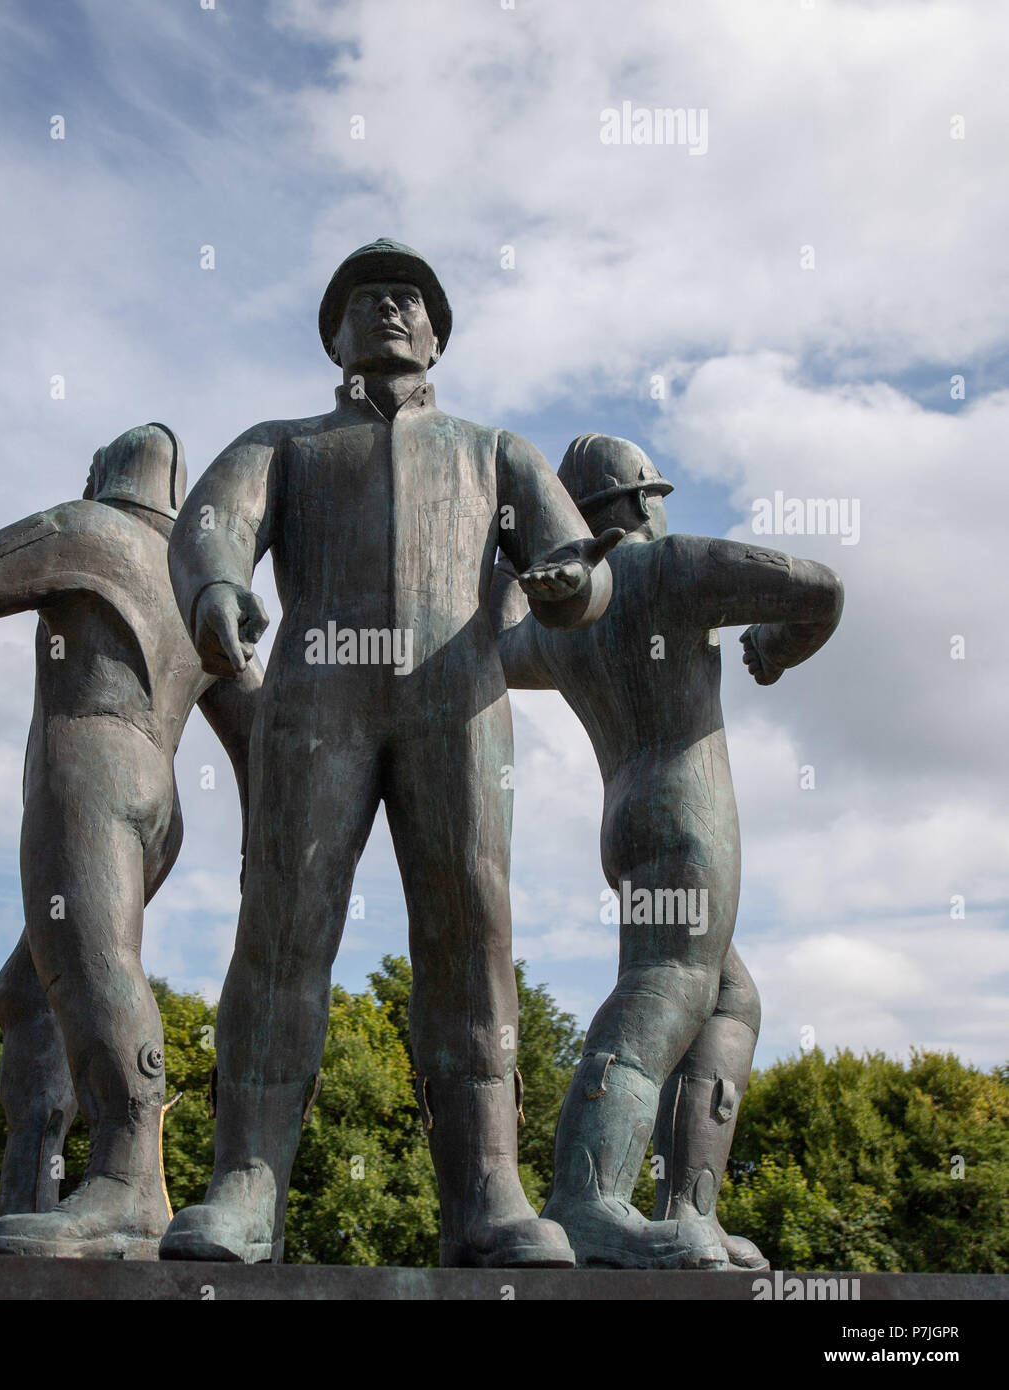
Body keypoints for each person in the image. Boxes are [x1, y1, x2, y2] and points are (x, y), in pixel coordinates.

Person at [160, 240, 621, 1267]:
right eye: (362, 299)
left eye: (406, 298)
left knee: (471, 936)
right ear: (332, 331)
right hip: (315, 696)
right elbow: (209, 525)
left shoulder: (491, 449)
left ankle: (488, 1192)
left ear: (437, 333)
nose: (385, 310)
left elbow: (576, 560)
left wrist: (565, 584)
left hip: (456, 702)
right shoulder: (283, 443)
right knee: (282, 929)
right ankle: (246, 1183)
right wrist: (217, 588)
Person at [0, 424, 260, 1258]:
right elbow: (258, 730)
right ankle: (30, 1188)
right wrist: (264, 845)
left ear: (103, 472)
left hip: (89, 775)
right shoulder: (193, 580)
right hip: (160, 803)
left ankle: (128, 1183)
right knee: (29, 993)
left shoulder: (84, 529)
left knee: (92, 965)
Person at [492, 433, 843, 1268]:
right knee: (667, 988)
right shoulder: (671, 567)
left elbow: (499, 647)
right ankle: (588, 1200)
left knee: (729, 1001)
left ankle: (690, 1211)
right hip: (687, 822)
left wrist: (510, 557)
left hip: (628, 820)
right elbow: (821, 592)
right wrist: (774, 644)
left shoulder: (556, 626)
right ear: (645, 501)